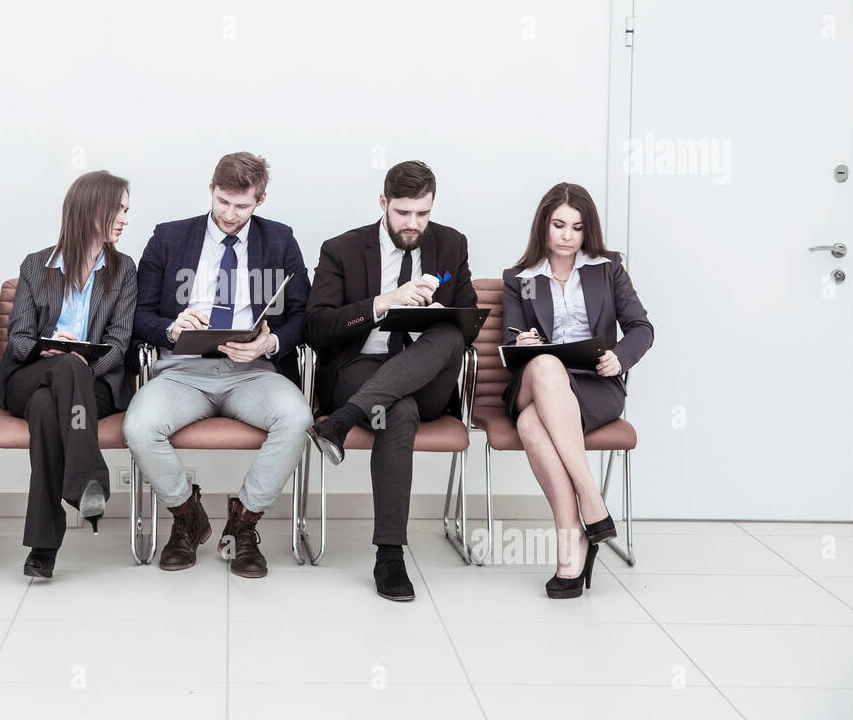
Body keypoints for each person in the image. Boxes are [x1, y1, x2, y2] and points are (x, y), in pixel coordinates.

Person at [123, 152, 313, 578]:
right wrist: (171, 328)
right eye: (223, 201)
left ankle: (243, 524)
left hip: (253, 371)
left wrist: (272, 340)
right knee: (138, 427)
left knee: (297, 418)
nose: (229, 214)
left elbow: (306, 315)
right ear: (211, 188)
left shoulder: (280, 240)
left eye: (241, 206)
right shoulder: (170, 238)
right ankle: (187, 515)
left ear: (260, 200)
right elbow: (137, 313)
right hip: (183, 370)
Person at [304, 160, 475, 601]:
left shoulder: (452, 246)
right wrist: (383, 303)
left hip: (429, 376)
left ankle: (341, 422)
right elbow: (317, 328)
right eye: (403, 213)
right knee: (398, 410)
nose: (413, 224)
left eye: (423, 213)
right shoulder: (341, 249)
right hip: (361, 369)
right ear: (383, 203)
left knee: (449, 334)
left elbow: (469, 324)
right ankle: (390, 556)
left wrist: (441, 316)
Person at [501, 183, 653, 599]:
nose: (567, 235)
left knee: (533, 424)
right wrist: (522, 343)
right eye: (559, 225)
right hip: (538, 380)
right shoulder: (522, 279)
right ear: (544, 225)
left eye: (577, 227)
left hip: (593, 386)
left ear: (588, 232)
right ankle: (592, 498)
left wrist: (620, 357)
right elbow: (510, 339)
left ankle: (572, 545)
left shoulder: (607, 269)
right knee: (547, 366)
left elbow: (641, 328)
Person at [0, 171, 137, 579]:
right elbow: (16, 339)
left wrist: (80, 361)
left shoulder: (124, 269)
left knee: (45, 406)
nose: (125, 219)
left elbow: (119, 345)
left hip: (92, 384)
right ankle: (87, 479)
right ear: (91, 209)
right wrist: (48, 344)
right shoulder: (36, 265)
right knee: (56, 373)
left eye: (127, 210)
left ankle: (43, 548)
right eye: (118, 209)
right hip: (30, 374)